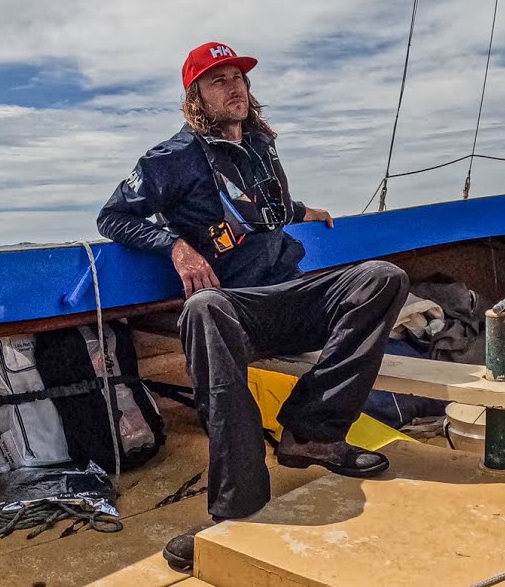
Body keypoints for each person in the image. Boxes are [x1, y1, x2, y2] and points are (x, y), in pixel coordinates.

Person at [97, 42, 409, 571]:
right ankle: (239, 510)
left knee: (383, 278)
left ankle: (311, 434)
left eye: (238, 76)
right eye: (218, 80)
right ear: (195, 95)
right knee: (202, 309)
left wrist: (305, 210)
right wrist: (176, 246)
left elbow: (266, 208)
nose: (234, 86)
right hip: (235, 309)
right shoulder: (171, 159)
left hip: (287, 294)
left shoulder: (261, 144)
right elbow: (112, 218)